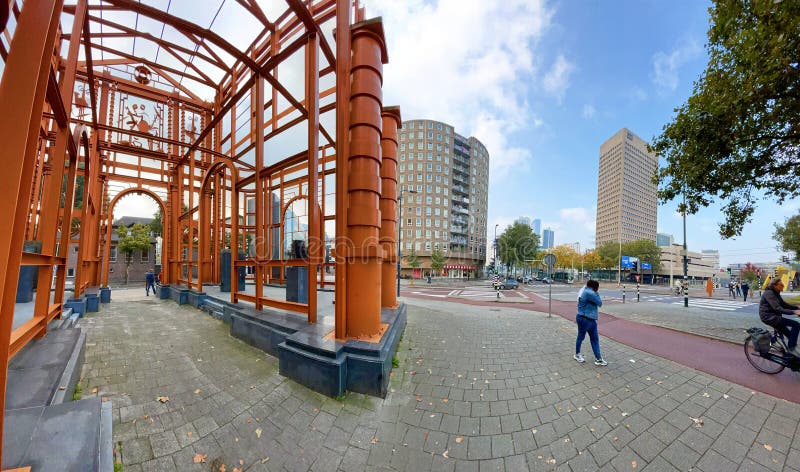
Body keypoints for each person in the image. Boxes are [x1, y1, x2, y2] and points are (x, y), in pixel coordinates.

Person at [759, 278, 800, 357]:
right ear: (774, 285)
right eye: (781, 285)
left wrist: (796, 307)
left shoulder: (776, 293)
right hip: (769, 317)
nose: (783, 286)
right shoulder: (769, 293)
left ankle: (790, 355)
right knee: (796, 324)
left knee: (790, 335)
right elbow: (777, 308)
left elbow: (784, 305)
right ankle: (791, 350)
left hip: (774, 316)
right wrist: (794, 312)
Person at [574, 279, 607, 366]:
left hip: (590, 319)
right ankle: (577, 354)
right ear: (595, 288)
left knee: (594, 339)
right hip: (584, 318)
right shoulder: (590, 293)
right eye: (598, 288)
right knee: (582, 337)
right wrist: (596, 293)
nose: (598, 290)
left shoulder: (585, 290)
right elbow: (600, 303)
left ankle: (598, 358)